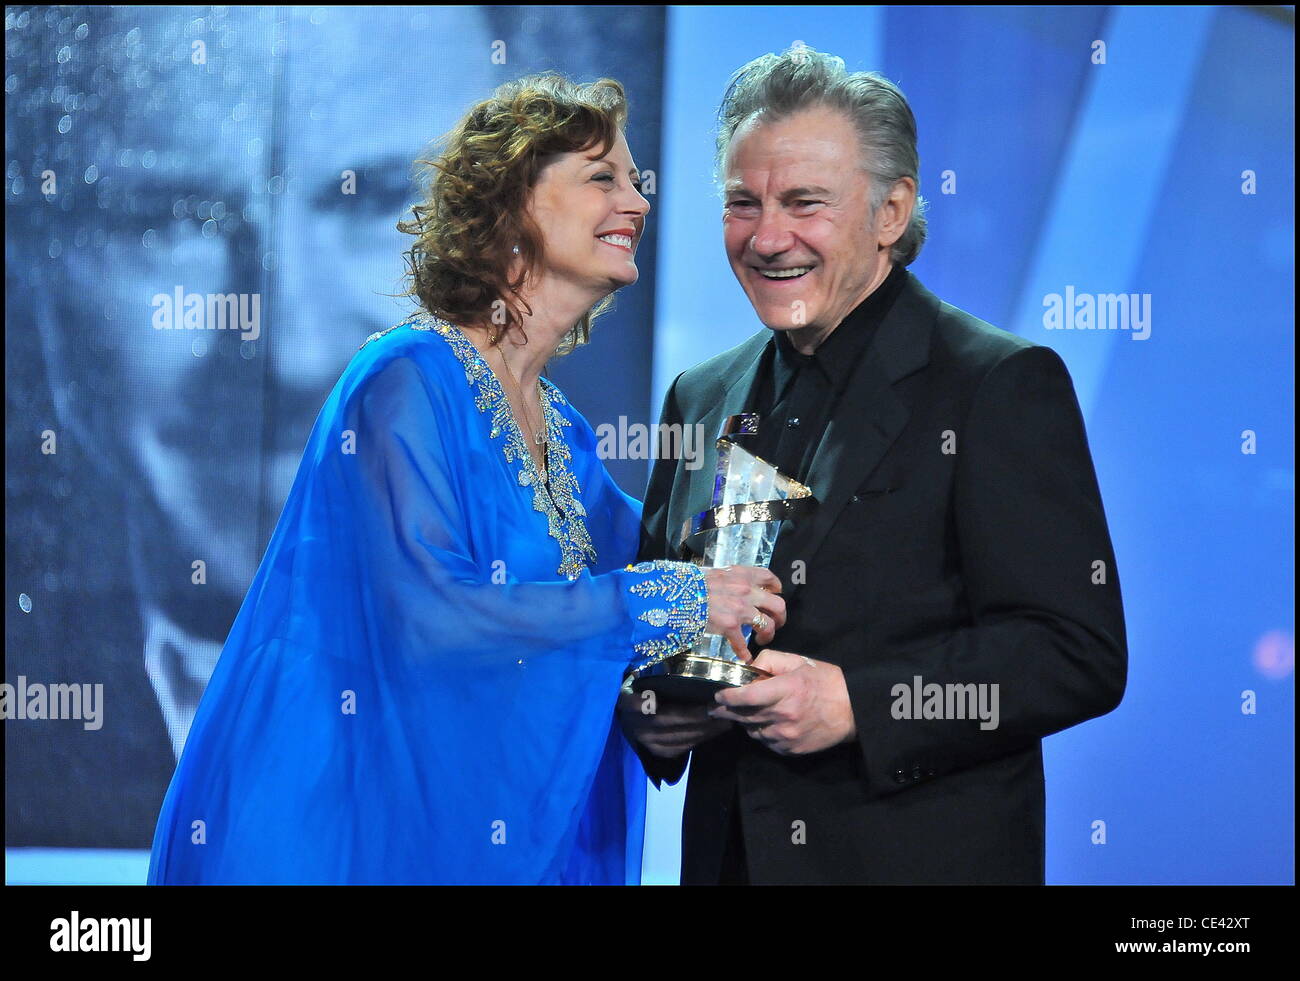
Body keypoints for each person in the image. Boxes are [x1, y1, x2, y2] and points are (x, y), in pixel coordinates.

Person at [147, 73, 784, 885]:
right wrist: (675, 599)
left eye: (632, 178)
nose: (638, 200)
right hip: (350, 840)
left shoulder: (566, 430)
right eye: (603, 177)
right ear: (513, 205)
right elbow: (429, 623)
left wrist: (774, 458)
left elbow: (664, 566)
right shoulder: (404, 379)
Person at [622, 47, 1127, 885]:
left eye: (804, 203)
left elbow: (1074, 651)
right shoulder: (700, 396)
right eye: (742, 203)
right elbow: (661, 612)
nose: (767, 236)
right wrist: (651, 705)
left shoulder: (994, 384)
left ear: (891, 211)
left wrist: (860, 702)